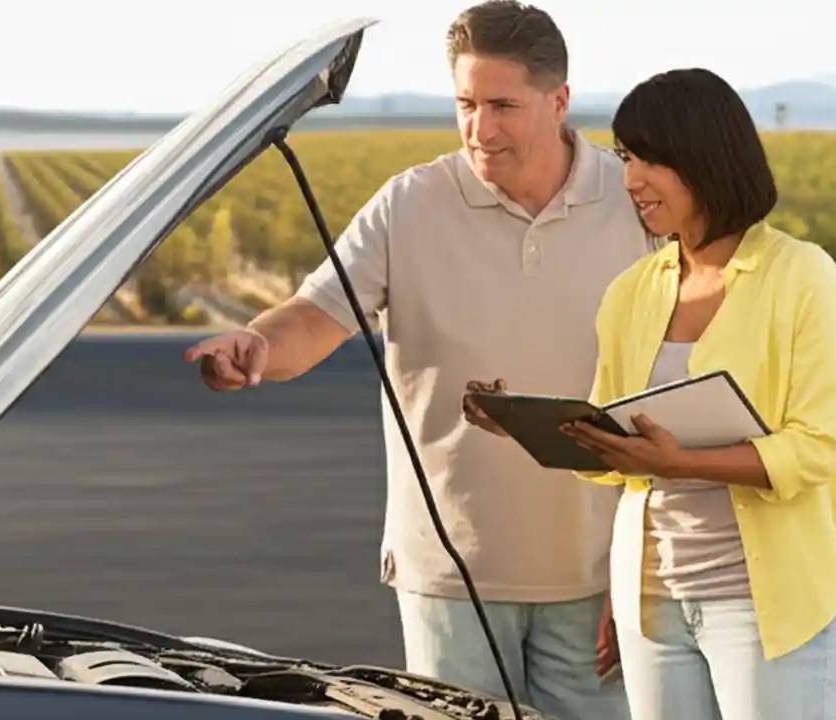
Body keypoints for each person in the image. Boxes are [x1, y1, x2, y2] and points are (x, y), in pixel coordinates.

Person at [183, 2, 658, 718]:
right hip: (449, 575)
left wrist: (642, 577)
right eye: (465, 104)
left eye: (503, 105)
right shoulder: (408, 204)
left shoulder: (633, 205)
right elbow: (316, 316)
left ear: (559, 100)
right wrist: (258, 345)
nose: (480, 129)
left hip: (595, 578)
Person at [466, 68, 836, 720]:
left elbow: (815, 449)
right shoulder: (633, 290)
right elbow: (618, 447)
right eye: (627, 158)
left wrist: (679, 462)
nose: (631, 181)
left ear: (707, 158)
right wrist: (527, 425)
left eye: (651, 160)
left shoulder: (801, 276)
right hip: (650, 602)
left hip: (762, 605)